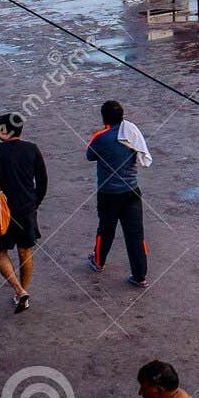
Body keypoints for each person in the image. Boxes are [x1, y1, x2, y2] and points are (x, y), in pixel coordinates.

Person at [0, 113, 49, 314]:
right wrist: (35, 203)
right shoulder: (32, 149)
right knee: (25, 251)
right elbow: (42, 182)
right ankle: (22, 294)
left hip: (3, 211)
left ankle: (19, 290)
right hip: (27, 210)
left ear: (4, 131)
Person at [87, 100, 150, 288]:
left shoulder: (101, 137)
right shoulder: (132, 134)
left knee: (106, 230)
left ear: (104, 117)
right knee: (136, 234)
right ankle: (140, 276)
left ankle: (98, 261)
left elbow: (89, 155)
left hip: (109, 193)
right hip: (132, 191)